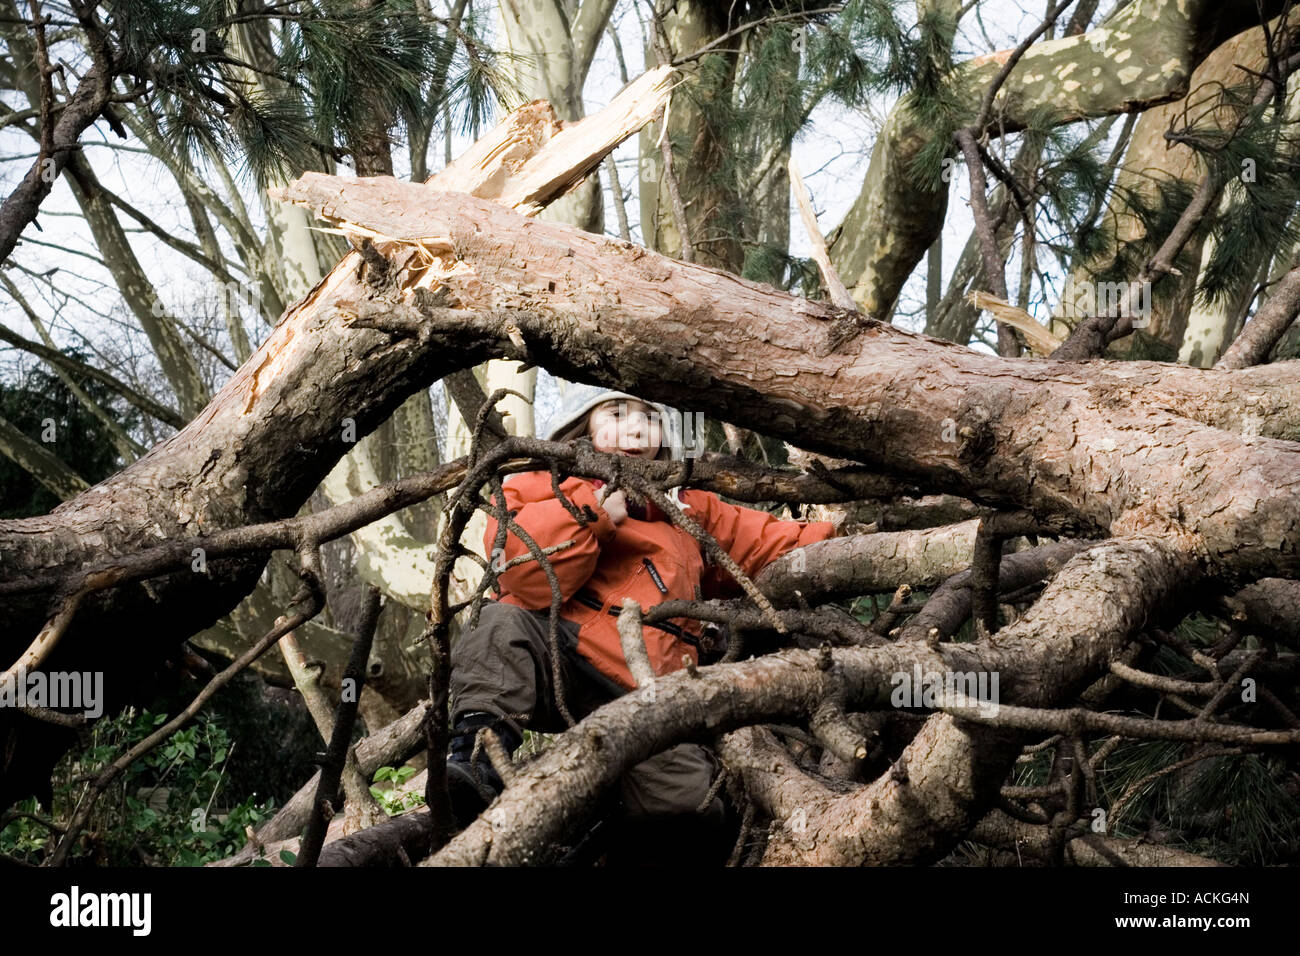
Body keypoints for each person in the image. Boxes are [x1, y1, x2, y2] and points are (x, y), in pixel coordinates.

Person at [445, 382, 839, 863]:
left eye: (650, 417)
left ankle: (612, 843)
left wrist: (838, 535)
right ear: (580, 427)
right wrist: (590, 513)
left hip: (647, 690)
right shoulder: (541, 482)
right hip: (561, 660)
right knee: (499, 621)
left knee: (688, 805)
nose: (636, 427)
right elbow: (523, 574)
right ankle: (478, 755)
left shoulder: (686, 507)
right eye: (615, 413)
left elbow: (760, 540)